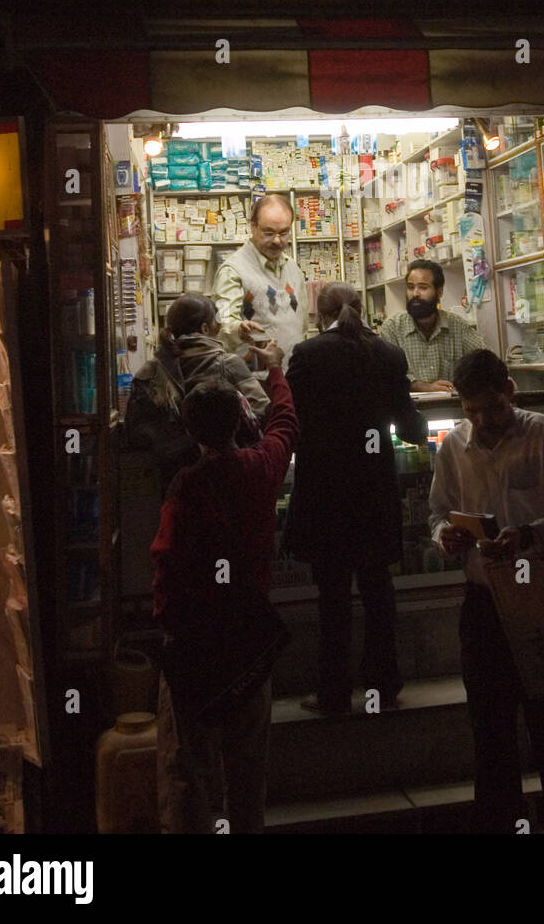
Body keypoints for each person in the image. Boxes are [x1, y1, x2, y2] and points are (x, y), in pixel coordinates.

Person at [429, 348, 544, 834]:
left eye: (492, 408)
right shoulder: (453, 448)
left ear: (510, 392)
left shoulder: (543, 433)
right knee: (490, 733)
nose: (483, 420)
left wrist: (529, 534)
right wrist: (447, 537)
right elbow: (438, 514)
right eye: (472, 411)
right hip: (484, 607)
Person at [151, 339, 297, 834]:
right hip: (249, 636)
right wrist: (276, 372)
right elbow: (285, 425)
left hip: (195, 639)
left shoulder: (187, 487)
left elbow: (167, 563)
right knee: (247, 763)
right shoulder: (261, 468)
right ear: (238, 422)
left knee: (190, 766)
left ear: (191, 431)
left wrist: (166, 625)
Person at [284, 283, 427, 715]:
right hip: (374, 490)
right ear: (362, 310)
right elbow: (410, 428)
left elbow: (290, 420)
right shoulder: (387, 354)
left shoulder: (307, 356)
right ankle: (383, 684)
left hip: (325, 491)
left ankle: (333, 692)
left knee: (333, 595)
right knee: (378, 588)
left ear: (319, 313)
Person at [125, 293, 268, 495]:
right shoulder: (229, 364)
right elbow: (261, 413)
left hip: (170, 483)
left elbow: (136, 433)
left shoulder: (148, 373)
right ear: (204, 329)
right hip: (226, 482)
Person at [212, 193, 308, 368]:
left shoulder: (293, 268)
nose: (277, 240)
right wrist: (239, 329)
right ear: (253, 227)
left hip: (293, 374)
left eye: (283, 233)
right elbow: (221, 324)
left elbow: (302, 325)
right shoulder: (233, 270)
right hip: (255, 381)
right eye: (269, 233)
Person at [379, 260, 484, 392]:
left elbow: (484, 362)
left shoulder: (458, 326)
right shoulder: (392, 328)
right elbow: (385, 376)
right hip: (409, 409)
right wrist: (423, 386)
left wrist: (501, 379)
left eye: (423, 287)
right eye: (411, 287)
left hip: (452, 407)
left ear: (439, 292)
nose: (415, 293)